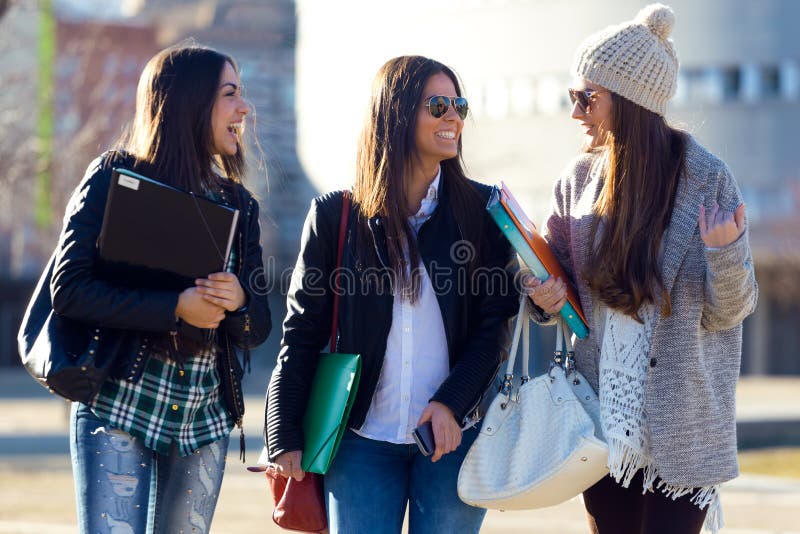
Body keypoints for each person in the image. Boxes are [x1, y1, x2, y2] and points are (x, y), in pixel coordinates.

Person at [524, 4, 757, 534]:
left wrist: (724, 255)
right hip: (604, 424)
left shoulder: (707, 180)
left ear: (628, 101)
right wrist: (543, 297)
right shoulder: (575, 181)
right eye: (572, 97)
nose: (576, 111)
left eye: (588, 98)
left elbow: (731, 312)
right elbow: (552, 289)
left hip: (684, 429)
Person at [264, 55, 518, 534]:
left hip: (453, 438)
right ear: (396, 113)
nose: (454, 118)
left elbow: (496, 327)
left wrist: (451, 403)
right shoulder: (334, 216)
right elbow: (299, 334)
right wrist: (283, 431)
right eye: (438, 105)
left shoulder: (484, 214)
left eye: (458, 105)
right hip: (359, 442)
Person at [50, 44, 272, 533]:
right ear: (190, 103)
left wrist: (237, 302)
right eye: (230, 94)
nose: (244, 109)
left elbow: (258, 327)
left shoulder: (241, 205)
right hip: (117, 408)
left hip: (204, 423)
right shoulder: (112, 176)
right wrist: (176, 307)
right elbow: (68, 291)